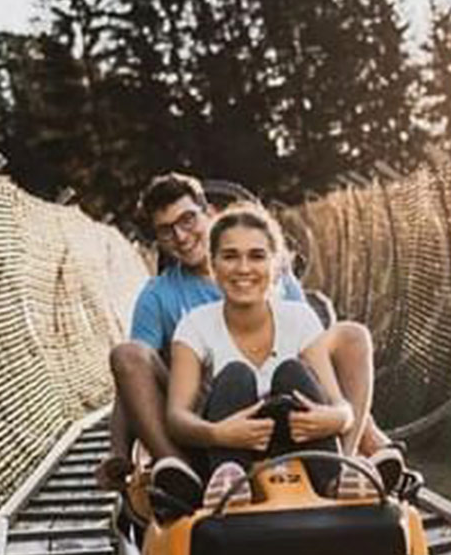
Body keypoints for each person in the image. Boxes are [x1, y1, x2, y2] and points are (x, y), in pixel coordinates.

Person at [99, 173, 405, 508]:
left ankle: (340, 468)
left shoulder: (279, 287)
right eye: (167, 230)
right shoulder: (173, 306)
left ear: (209, 214)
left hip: (286, 395)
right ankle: (186, 476)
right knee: (225, 374)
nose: (181, 236)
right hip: (214, 405)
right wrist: (119, 450)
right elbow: (132, 377)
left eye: (188, 220)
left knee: (350, 337)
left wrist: (362, 430)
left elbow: (314, 356)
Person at [160, 204, 353, 508]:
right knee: (236, 373)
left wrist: (336, 417)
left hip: (295, 445)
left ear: (275, 265)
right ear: (213, 265)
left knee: (292, 371)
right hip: (231, 444)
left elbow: (339, 403)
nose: (243, 269)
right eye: (230, 256)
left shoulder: (300, 318)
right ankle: (229, 483)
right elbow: (176, 417)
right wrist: (218, 434)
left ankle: (333, 482)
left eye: (257, 256)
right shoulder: (195, 324)